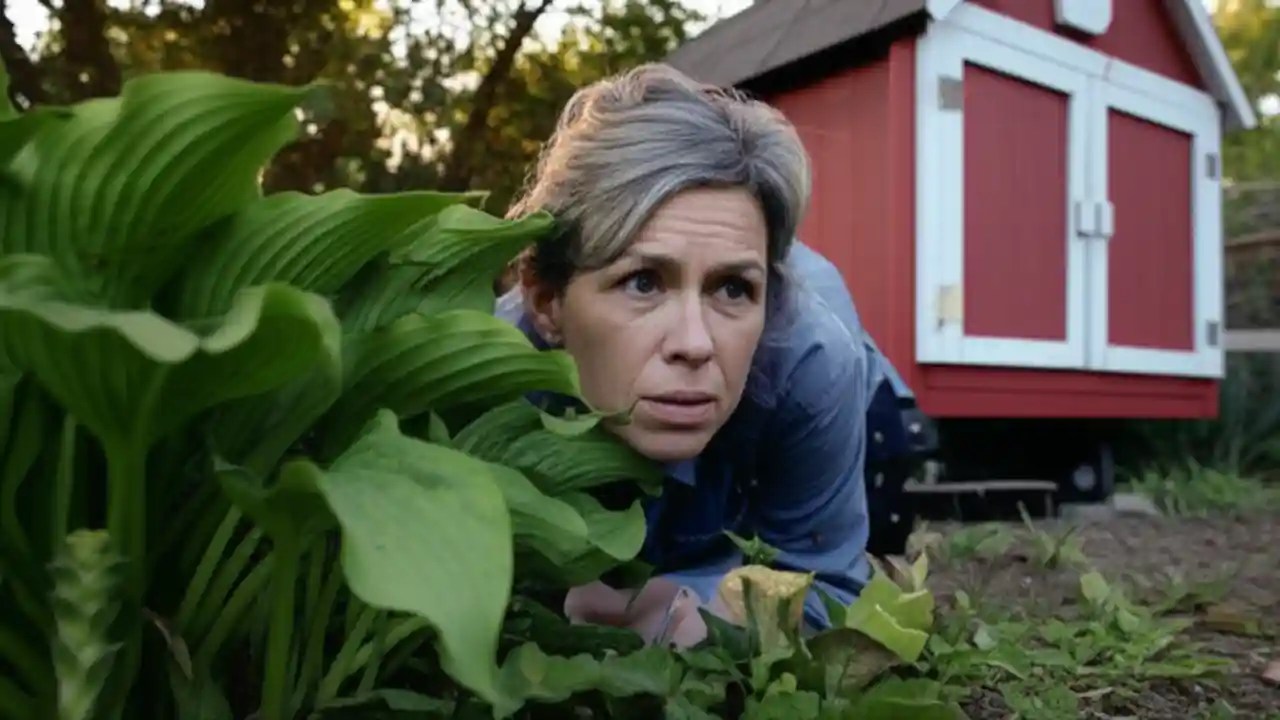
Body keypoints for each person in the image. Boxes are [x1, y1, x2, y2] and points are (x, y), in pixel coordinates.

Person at [493, 62, 873, 644]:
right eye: (643, 281)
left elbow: (832, 583)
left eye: (732, 289)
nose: (695, 344)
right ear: (547, 300)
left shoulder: (811, 364)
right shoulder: (491, 369)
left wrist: (713, 610)